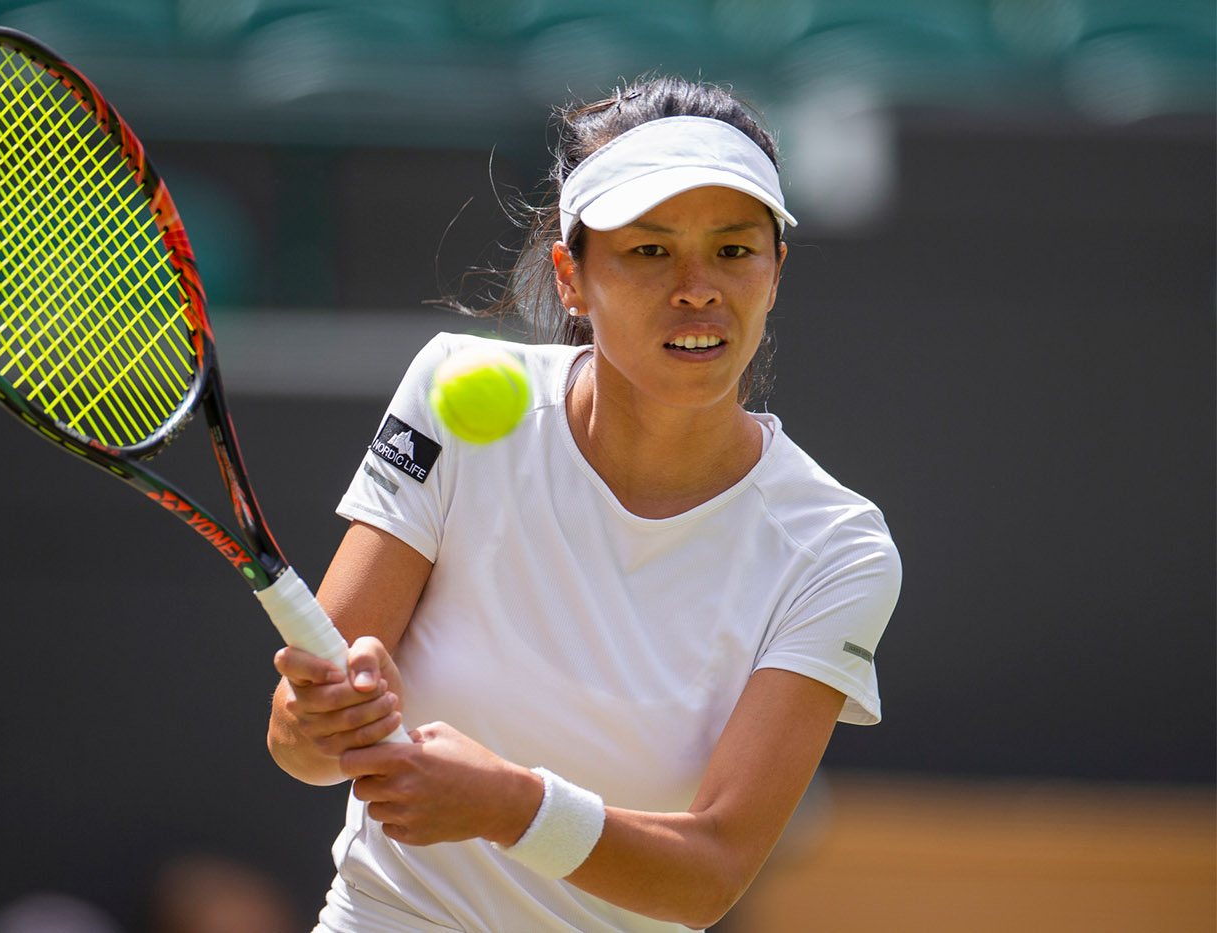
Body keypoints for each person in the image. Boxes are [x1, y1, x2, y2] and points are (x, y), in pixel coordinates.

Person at [267, 75, 901, 932]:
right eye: (647, 250)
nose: (696, 288)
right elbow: (308, 747)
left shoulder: (838, 548)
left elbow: (709, 874)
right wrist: (315, 723)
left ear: (776, 271)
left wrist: (511, 804)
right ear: (571, 277)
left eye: (733, 249)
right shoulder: (451, 393)